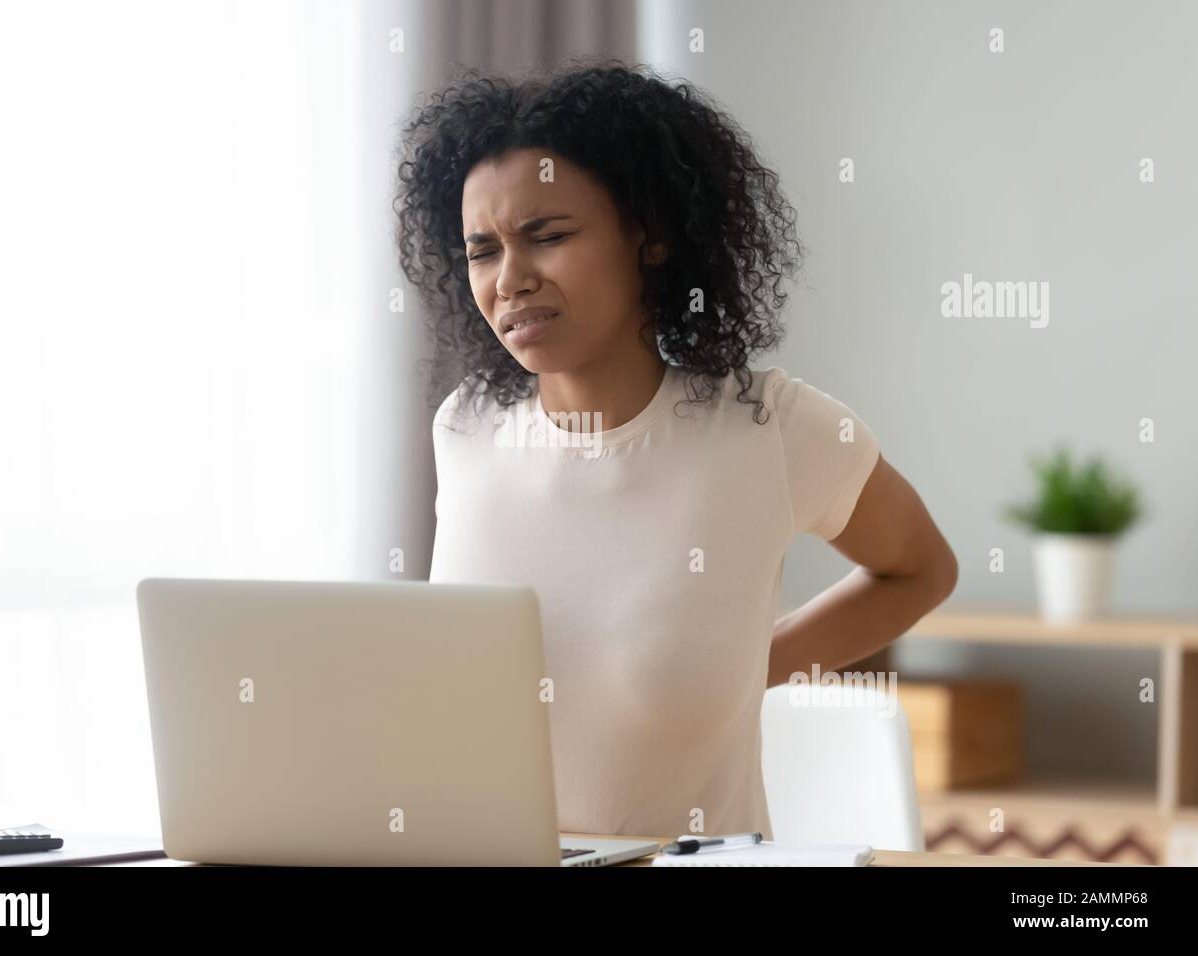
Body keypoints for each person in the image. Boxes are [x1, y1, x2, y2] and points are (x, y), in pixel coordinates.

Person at [393, 58, 957, 839]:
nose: (508, 279)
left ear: (650, 237)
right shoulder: (465, 430)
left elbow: (921, 568)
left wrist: (752, 669)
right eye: (482, 251)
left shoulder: (771, 429)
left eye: (547, 236)